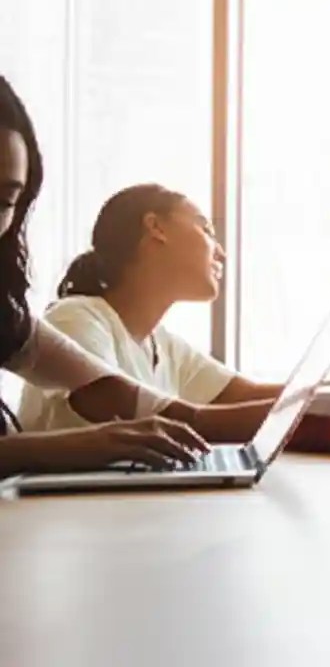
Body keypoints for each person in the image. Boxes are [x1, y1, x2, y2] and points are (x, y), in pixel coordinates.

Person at [0, 74, 262, 476]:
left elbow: (118, 396)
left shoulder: (9, 317)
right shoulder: (79, 316)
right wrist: (79, 445)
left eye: (4, 202)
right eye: (205, 228)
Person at [18, 184, 285, 433]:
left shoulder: (164, 346)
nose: (221, 253)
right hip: (74, 485)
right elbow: (110, 402)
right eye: (206, 229)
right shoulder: (75, 317)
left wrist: (321, 393)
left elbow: (255, 396)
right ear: (156, 227)